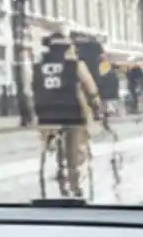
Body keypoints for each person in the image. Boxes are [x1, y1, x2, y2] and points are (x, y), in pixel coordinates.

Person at [32, 33, 102, 199]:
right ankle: (75, 183)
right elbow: (90, 87)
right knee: (75, 150)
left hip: (47, 115)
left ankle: (60, 175)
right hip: (72, 112)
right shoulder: (75, 65)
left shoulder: (39, 66)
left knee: (55, 146)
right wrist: (97, 106)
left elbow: (33, 89)